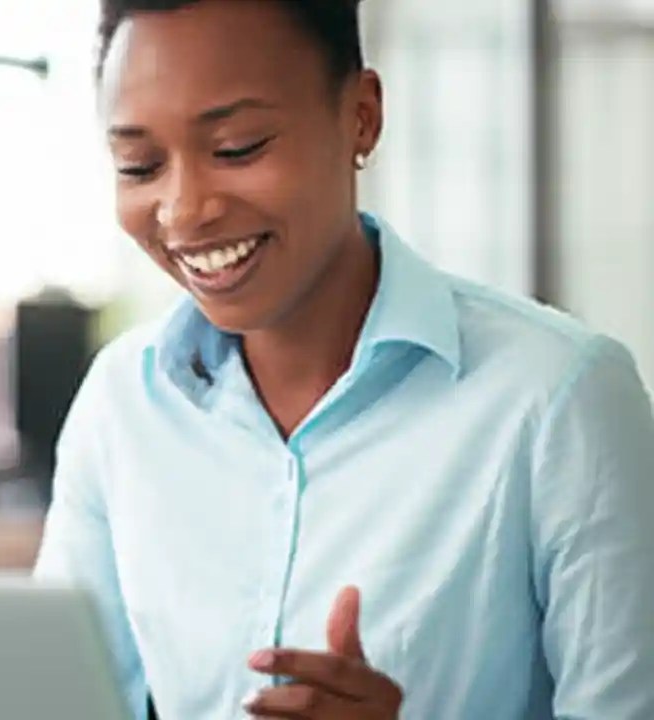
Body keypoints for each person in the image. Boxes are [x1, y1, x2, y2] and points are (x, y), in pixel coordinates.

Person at [33, 1, 654, 718]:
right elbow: (58, 699)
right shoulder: (121, 405)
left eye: (237, 147)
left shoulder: (559, 397)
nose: (183, 210)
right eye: (139, 165)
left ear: (360, 116)